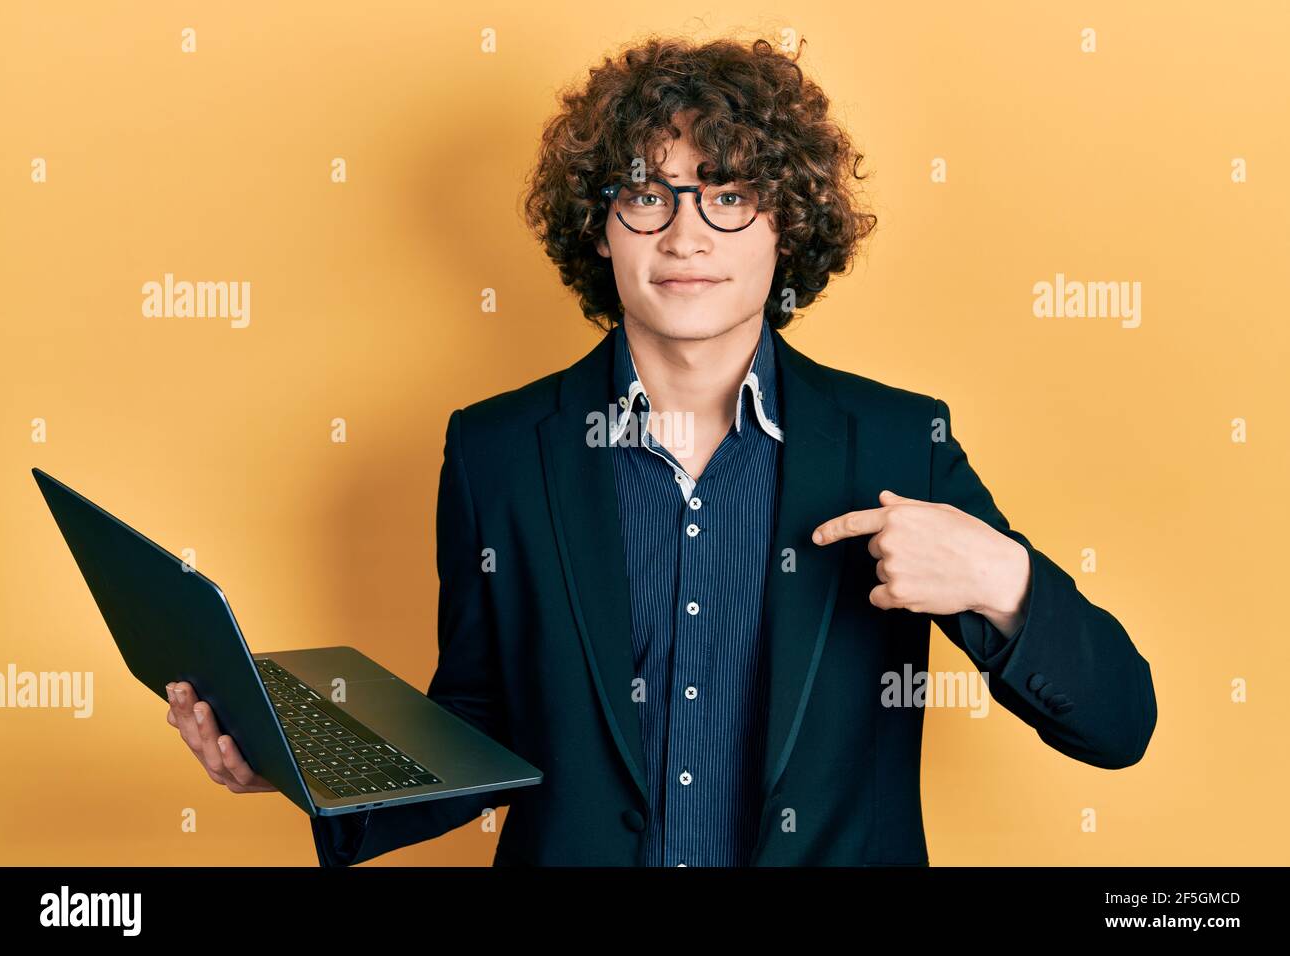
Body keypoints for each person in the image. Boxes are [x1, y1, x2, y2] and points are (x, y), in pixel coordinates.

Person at [164, 35, 1156, 867]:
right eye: (646, 194)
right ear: (598, 227)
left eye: (727, 192)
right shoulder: (497, 449)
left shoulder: (896, 439)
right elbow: (482, 729)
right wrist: (298, 766)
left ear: (786, 224)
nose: (686, 232)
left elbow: (1117, 723)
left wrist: (1003, 580)